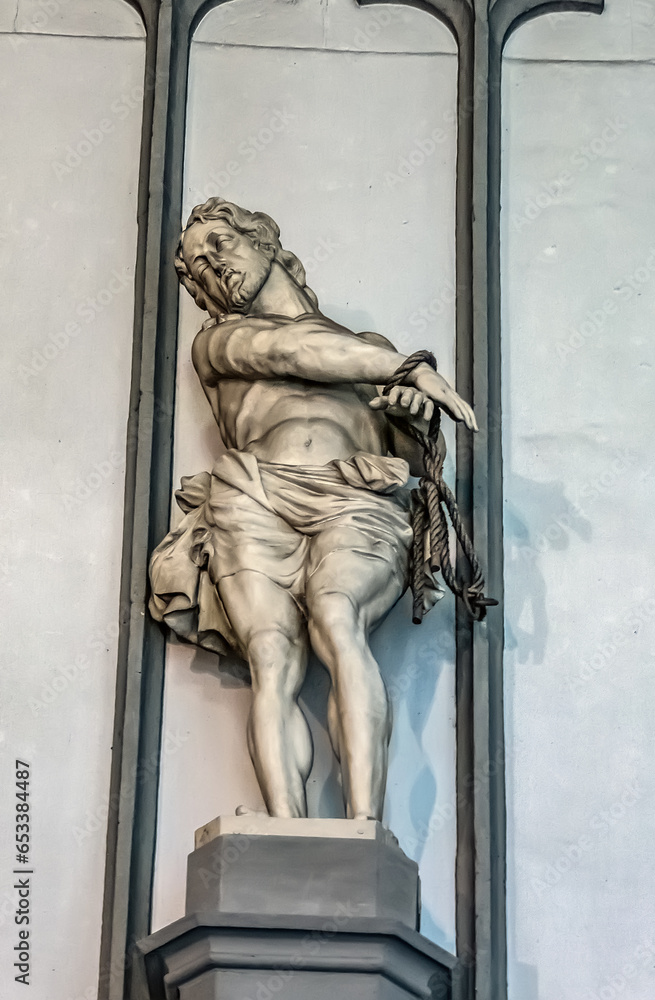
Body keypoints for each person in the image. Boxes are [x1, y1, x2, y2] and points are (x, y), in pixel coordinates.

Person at [149, 198, 477, 823]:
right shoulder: (219, 343)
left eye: (220, 243)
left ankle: (363, 828)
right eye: (198, 265)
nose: (213, 265)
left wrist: (412, 416)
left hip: (354, 495)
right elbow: (295, 354)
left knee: (336, 614)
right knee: (272, 657)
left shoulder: (369, 351)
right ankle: (285, 833)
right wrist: (409, 366)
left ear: (264, 240)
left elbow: (406, 452)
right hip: (254, 496)